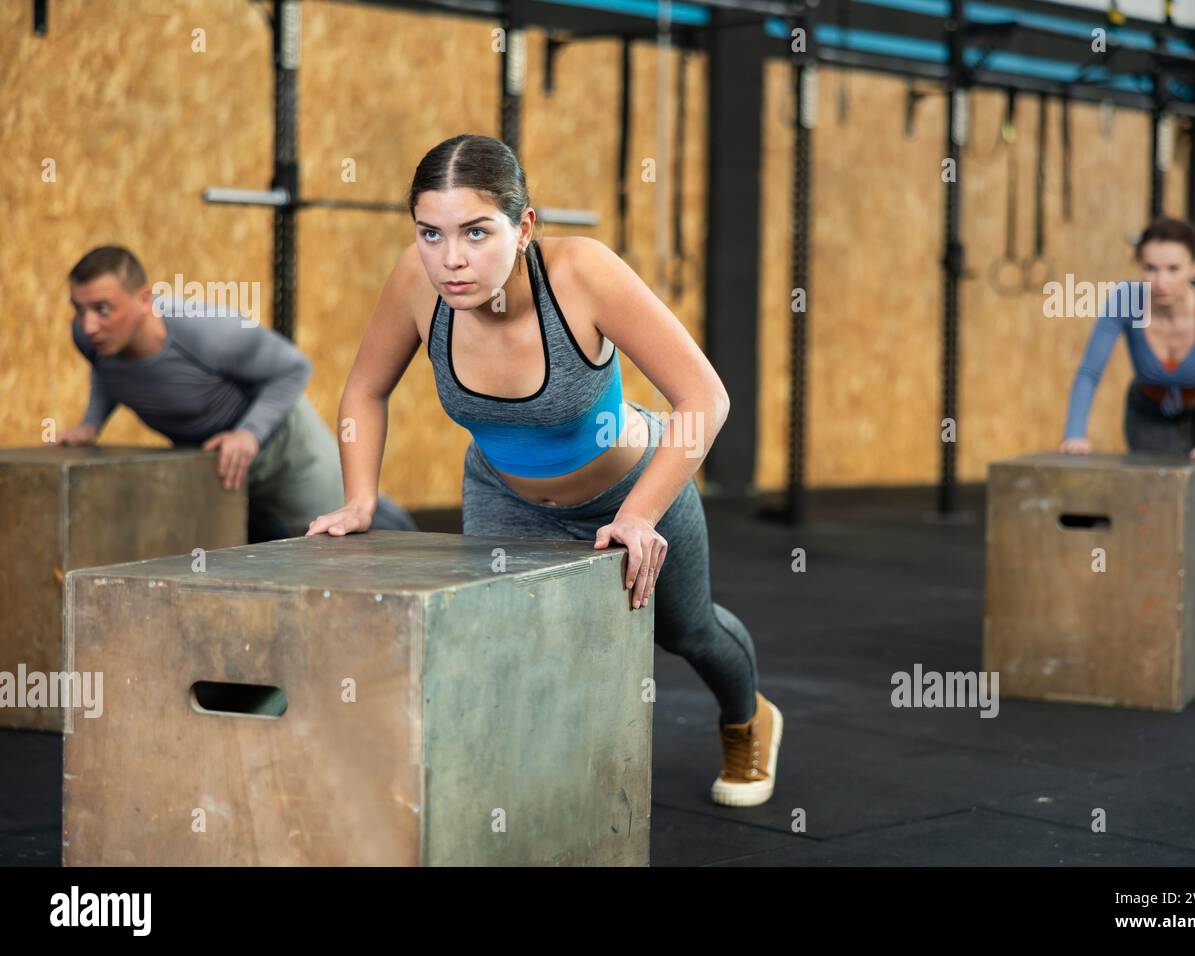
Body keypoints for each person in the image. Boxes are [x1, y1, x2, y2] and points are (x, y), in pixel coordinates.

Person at [305, 133, 781, 807]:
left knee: (686, 631)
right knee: (504, 643)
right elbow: (364, 390)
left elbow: (705, 398)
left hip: (632, 490)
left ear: (524, 226)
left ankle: (747, 720)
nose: (451, 259)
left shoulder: (583, 275)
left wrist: (639, 515)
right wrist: (359, 499)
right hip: (507, 499)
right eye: (430, 234)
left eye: (476, 232)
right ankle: (531, 799)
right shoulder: (417, 281)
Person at [56, 245, 417, 541]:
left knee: (341, 528)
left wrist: (248, 435)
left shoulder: (205, 331)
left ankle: (420, 544)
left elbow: (293, 368)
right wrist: (91, 424)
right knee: (263, 542)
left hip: (281, 445)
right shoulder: (91, 338)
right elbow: (109, 372)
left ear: (144, 299)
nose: (88, 325)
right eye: (79, 309)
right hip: (221, 464)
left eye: (103, 309)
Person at [1059, 216, 1195, 636]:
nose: (1160, 281)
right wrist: (1074, 433)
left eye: (1173, 269)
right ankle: (1153, 602)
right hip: (1149, 411)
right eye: (1150, 268)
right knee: (1153, 503)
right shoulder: (1126, 300)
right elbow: (1089, 373)